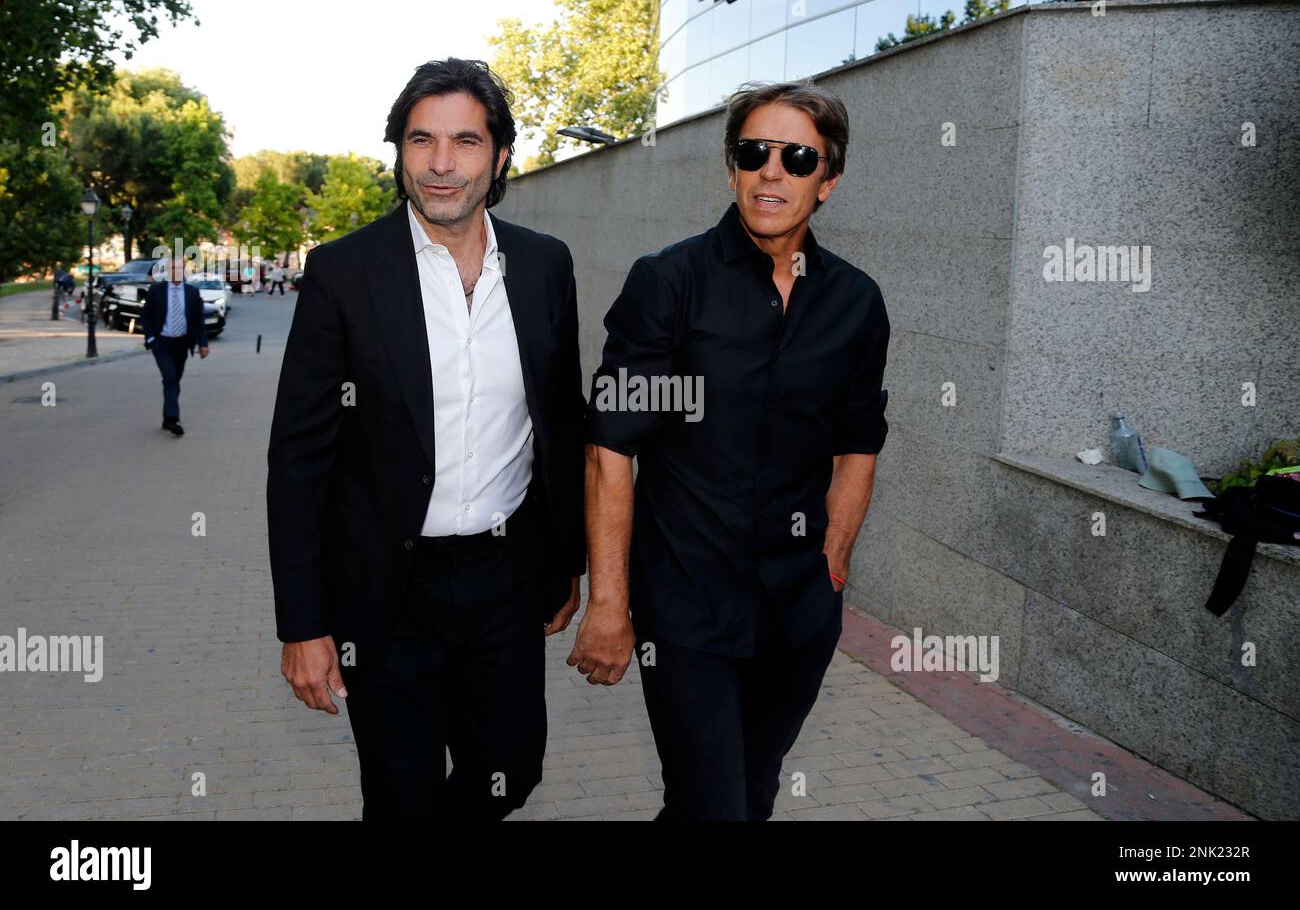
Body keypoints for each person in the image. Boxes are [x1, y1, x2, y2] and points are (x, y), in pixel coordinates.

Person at [267, 58, 586, 821]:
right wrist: (302, 624)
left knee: (513, 766)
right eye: (421, 140)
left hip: (506, 575)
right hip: (386, 589)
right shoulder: (343, 273)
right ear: (400, 153)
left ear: (500, 156)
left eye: (466, 141)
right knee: (401, 792)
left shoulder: (544, 266)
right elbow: (298, 457)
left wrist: (568, 563)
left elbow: (562, 422)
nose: (442, 163)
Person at [572, 80, 891, 820]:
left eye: (797, 157)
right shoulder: (669, 283)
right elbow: (610, 448)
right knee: (713, 803)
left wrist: (833, 561)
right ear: (732, 170)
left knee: (746, 794)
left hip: (796, 610)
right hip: (686, 606)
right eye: (754, 153)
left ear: (828, 182)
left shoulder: (856, 303)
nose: (771, 170)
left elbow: (857, 444)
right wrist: (610, 602)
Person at [140, 257, 209, 437]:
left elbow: (198, 321)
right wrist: (151, 339)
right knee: (170, 378)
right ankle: (173, 419)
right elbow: (146, 317)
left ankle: (166, 418)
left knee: (174, 381)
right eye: (173, 269)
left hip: (182, 343)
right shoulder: (156, 291)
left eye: (180, 268)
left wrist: (203, 344)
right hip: (162, 343)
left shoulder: (192, 292)